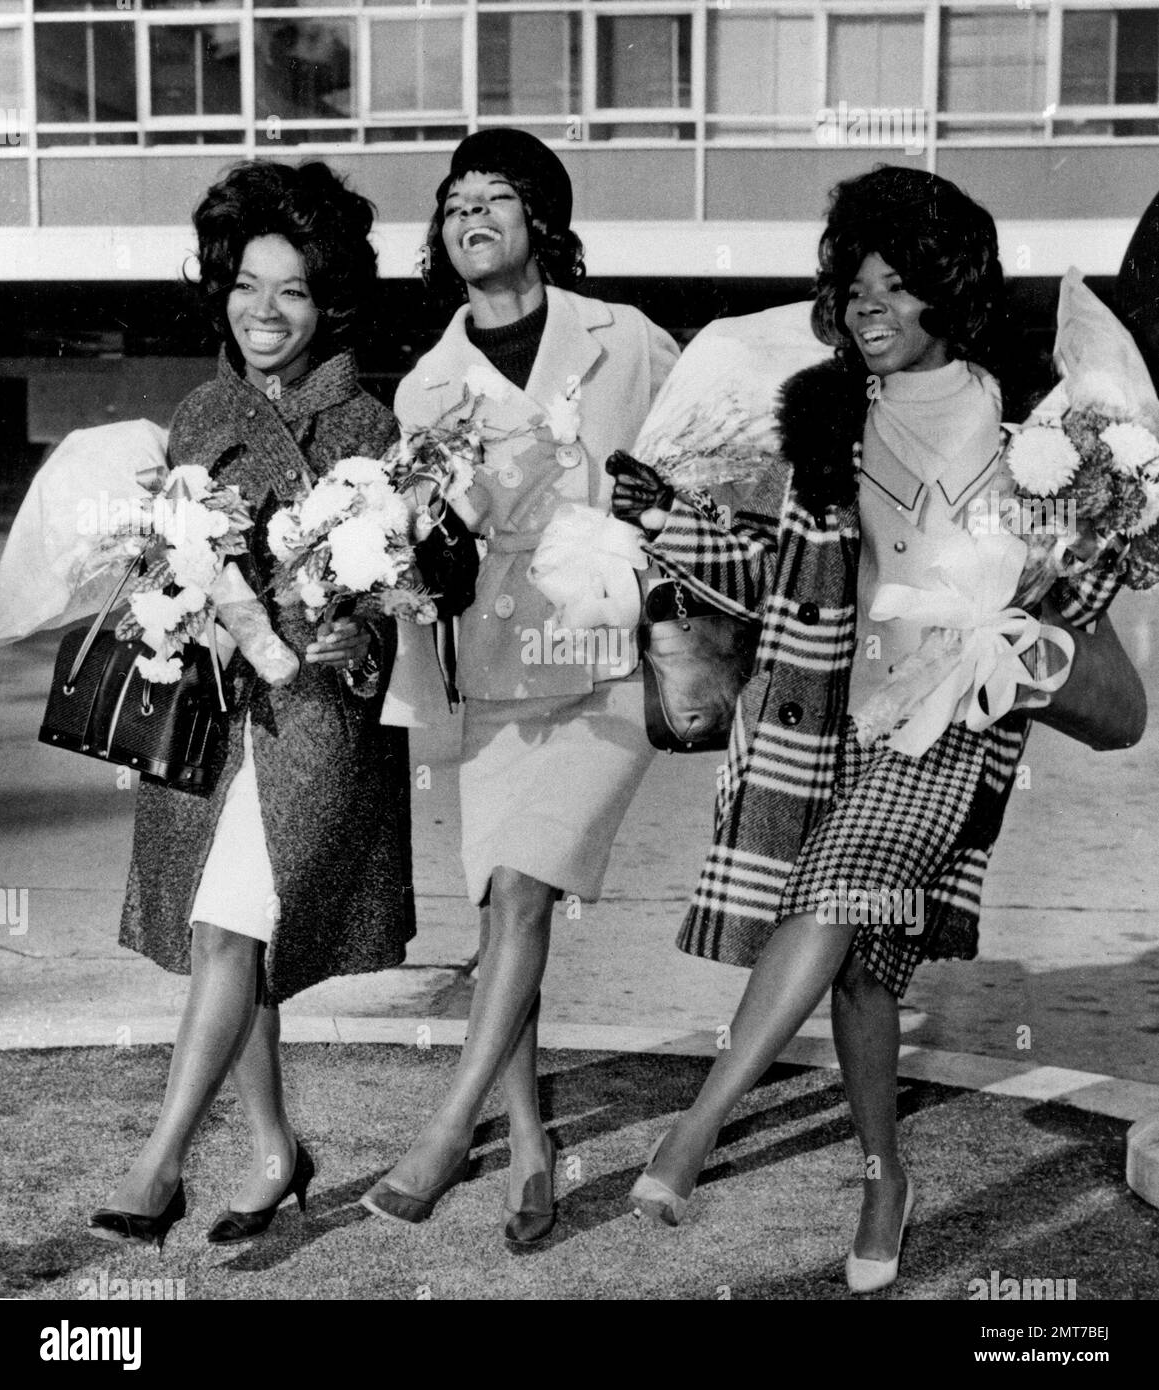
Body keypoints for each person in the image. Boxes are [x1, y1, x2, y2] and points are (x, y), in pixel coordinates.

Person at [613, 166, 1126, 1292]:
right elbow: (778, 574)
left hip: (951, 727)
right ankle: (884, 1174)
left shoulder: (1034, 424)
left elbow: (1073, 598)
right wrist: (668, 523)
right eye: (853, 287)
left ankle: (692, 1134)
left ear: (946, 290)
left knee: (834, 892)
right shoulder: (824, 417)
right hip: (832, 724)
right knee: (859, 970)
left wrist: (1077, 571)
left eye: (894, 285)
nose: (868, 308)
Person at [88, 159, 428, 1250]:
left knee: (230, 928)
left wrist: (353, 635)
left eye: (289, 290)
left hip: (313, 724)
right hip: (207, 716)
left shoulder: (369, 423)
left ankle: (158, 1165)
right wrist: (163, 598)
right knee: (231, 940)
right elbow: (167, 567)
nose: (262, 311)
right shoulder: (198, 412)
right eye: (244, 284)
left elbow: (392, 602)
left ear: (330, 301)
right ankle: (276, 1150)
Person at [360, 129, 678, 1245]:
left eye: (494, 198)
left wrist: (659, 514)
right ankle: (531, 1134)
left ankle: (446, 1134)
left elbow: (712, 454)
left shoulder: (626, 338)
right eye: (453, 203)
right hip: (493, 673)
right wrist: (422, 558)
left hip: (603, 663)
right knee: (502, 902)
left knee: (528, 890)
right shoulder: (424, 387)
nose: (470, 216)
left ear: (539, 218)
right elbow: (421, 547)